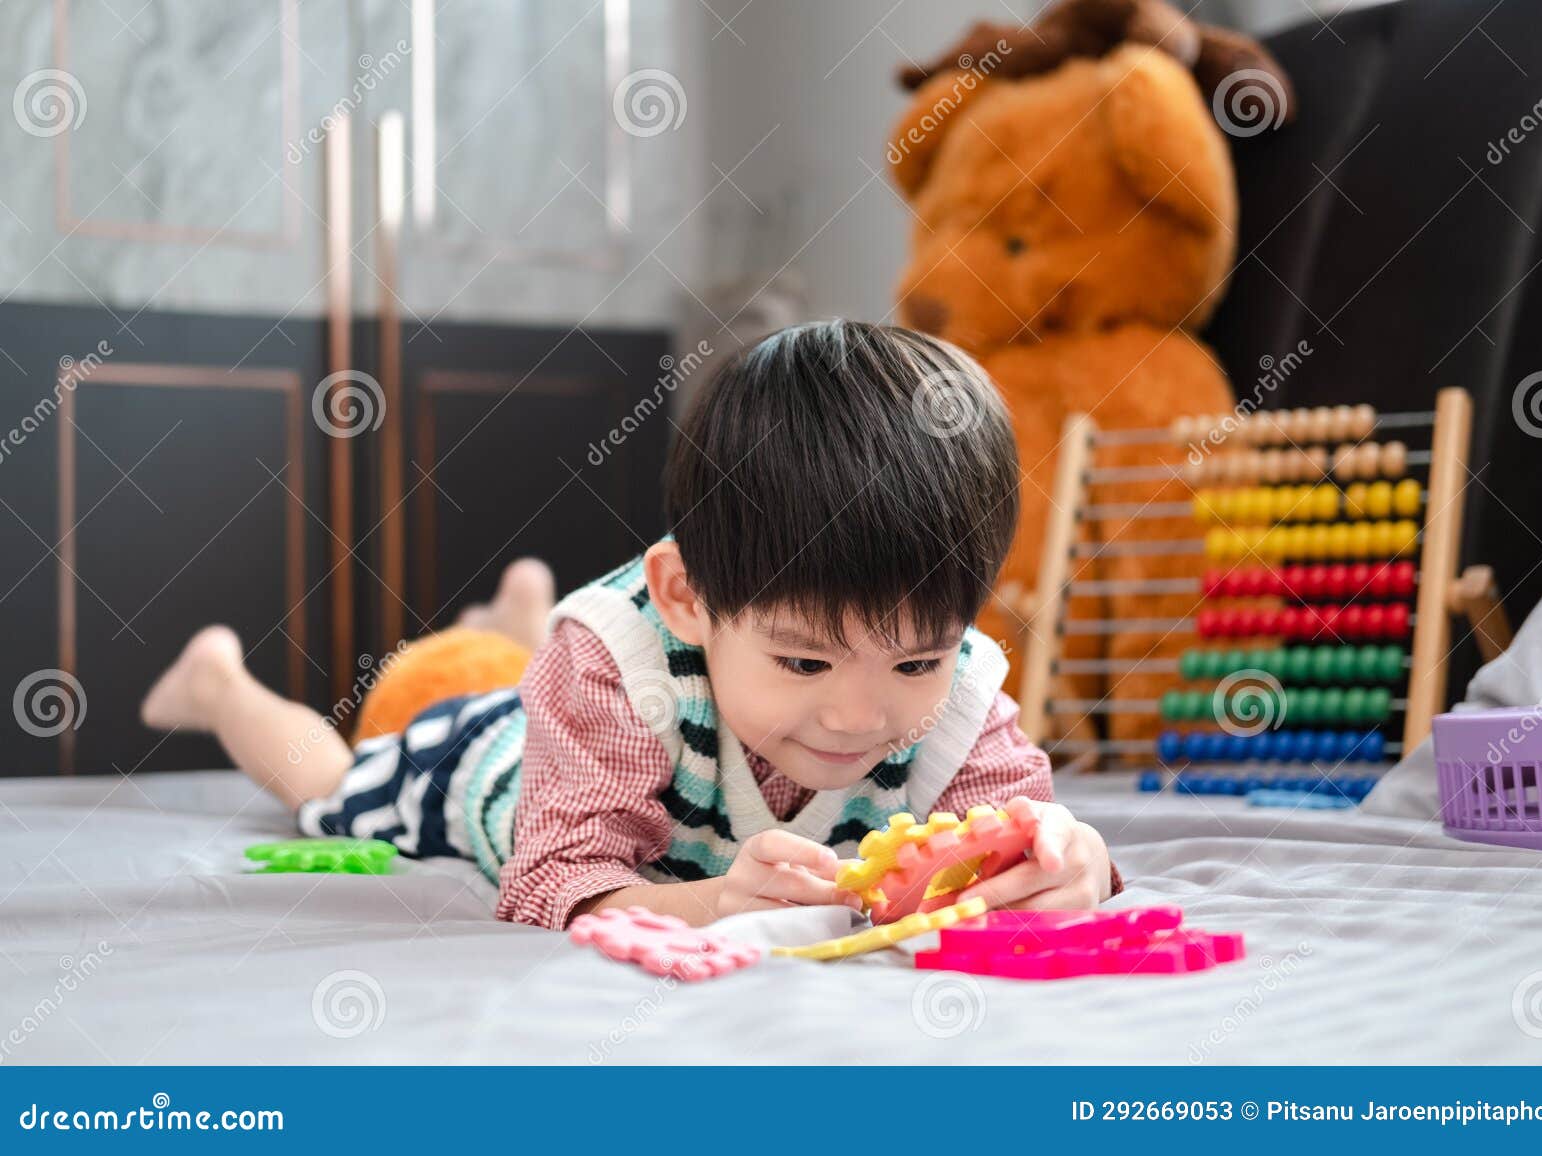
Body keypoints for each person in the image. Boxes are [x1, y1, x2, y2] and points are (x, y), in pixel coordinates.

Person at [142, 320, 1121, 929]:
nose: (864, 713)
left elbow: (1019, 833)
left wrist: (1070, 860)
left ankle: (515, 626)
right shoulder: (620, 661)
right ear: (688, 596)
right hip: (489, 770)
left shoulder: (955, 692)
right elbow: (547, 880)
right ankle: (219, 682)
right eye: (803, 657)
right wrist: (710, 904)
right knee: (335, 775)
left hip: (586, 718)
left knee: (547, 677)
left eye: (914, 658)